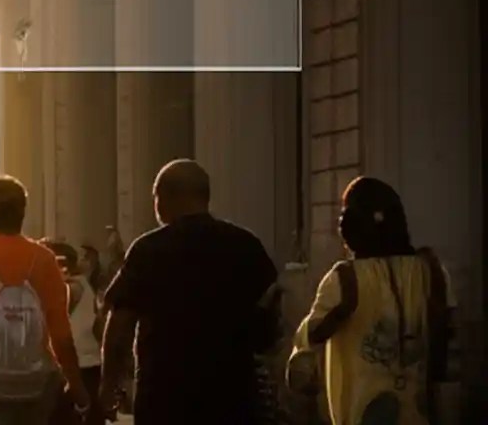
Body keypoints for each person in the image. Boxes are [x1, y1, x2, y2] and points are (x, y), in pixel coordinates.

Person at [98, 159, 281, 425]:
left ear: (166, 198)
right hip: (231, 399)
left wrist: (108, 386)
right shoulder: (245, 245)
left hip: (164, 400)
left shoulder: (149, 250)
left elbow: (119, 328)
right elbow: (271, 318)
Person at [287, 176, 457, 425]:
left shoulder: (345, 280)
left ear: (349, 228)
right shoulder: (432, 273)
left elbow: (307, 349)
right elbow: (450, 354)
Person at [0, 176, 89, 424]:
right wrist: (77, 387)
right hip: (37, 381)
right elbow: (61, 335)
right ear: (22, 212)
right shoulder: (44, 259)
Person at [43, 242, 103, 425]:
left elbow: (53, 321)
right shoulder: (83, 285)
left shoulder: (71, 288)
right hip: (88, 363)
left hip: (77, 367)